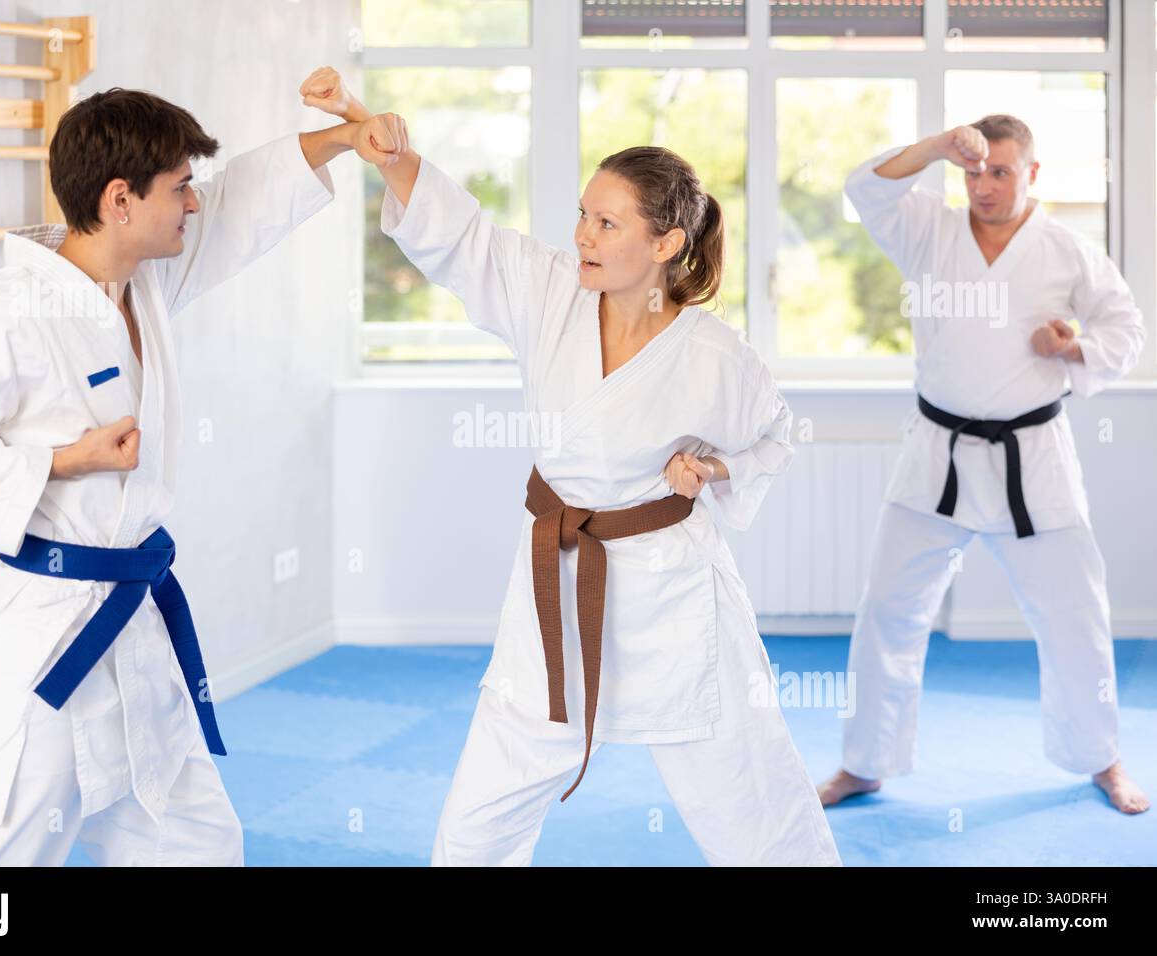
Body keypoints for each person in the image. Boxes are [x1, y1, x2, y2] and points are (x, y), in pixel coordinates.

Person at [0, 76, 404, 864]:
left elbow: (239, 206)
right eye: (180, 188)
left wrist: (344, 140)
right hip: (41, 649)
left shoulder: (140, 277)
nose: (194, 203)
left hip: (134, 631)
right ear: (120, 200)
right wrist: (62, 459)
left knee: (197, 843)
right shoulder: (10, 312)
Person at [304, 72, 842, 866]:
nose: (584, 236)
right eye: (584, 216)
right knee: (477, 819)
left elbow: (774, 438)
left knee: (753, 797)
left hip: (674, 595)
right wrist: (381, 148)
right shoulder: (549, 290)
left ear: (665, 245)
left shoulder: (716, 357)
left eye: (607, 223)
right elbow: (465, 239)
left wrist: (716, 470)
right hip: (556, 580)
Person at [818, 115, 1149, 815]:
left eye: (1001, 171)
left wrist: (1071, 347)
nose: (984, 185)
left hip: (1033, 459)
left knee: (1075, 614)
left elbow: (1125, 328)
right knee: (888, 609)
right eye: (972, 171)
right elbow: (861, 187)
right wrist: (938, 144)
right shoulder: (927, 229)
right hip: (937, 455)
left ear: (1033, 174)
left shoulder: (1066, 250)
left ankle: (1103, 758)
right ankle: (864, 763)